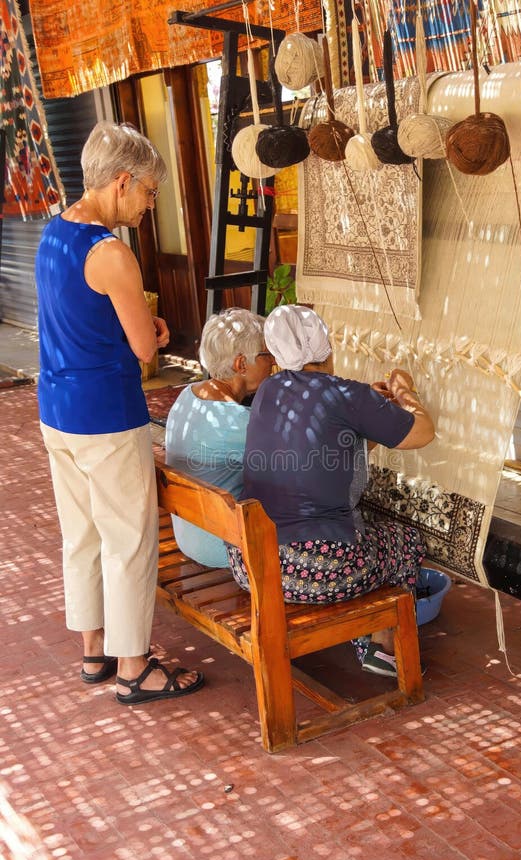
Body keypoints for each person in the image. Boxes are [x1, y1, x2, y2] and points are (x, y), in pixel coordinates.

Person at [35, 121, 204, 705]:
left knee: (81, 535)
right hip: (105, 415)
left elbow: (79, 318)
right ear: (123, 182)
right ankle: (134, 667)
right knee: (129, 539)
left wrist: (138, 331)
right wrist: (153, 333)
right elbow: (141, 348)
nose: (150, 205)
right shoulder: (111, 253)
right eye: (150, 193)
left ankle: (93, 651)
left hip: (55, 410)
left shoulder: (55, 232)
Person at [228, 304, 435, 678]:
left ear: (278, 354)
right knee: (405, 541)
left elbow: (327, 440)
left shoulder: (269, 390)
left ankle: (365, 638)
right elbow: (421, 433)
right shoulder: (346, 394)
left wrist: (367, 409)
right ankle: (382, 648)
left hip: (253, 564)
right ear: (327, 347)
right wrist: (406, 391)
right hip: (320, 573)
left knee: (361, 536)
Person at [165, 308, 273, 567]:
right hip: (221, 546)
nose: (272, 361)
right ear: (241, 364)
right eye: (266, 354)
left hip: (191, 535)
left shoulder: (186, 396)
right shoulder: (236, 424)